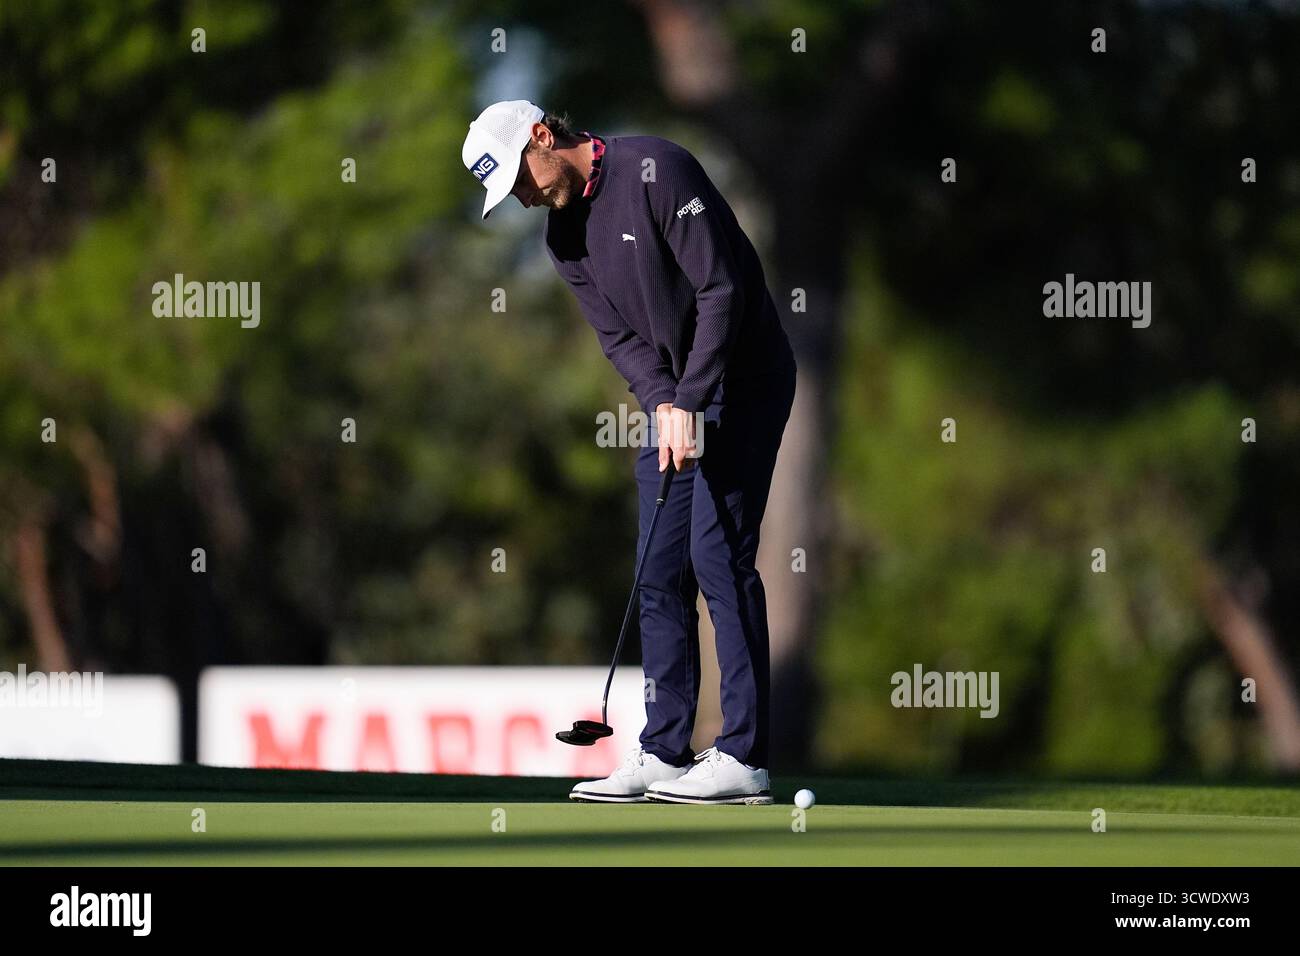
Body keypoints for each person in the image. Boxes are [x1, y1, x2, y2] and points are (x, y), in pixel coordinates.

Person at [462, 100, 796, 804]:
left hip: (746, 381)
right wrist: (667, 405)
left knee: (717, 557)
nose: (523, 198)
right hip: (678, 398)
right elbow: (619, 340)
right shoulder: (563, 238)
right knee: (657, 566)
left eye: (520, 178)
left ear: (544, 136)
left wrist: (692, 397)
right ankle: (665, 750)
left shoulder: (657, 169)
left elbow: (722, 290)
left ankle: (743, 756)